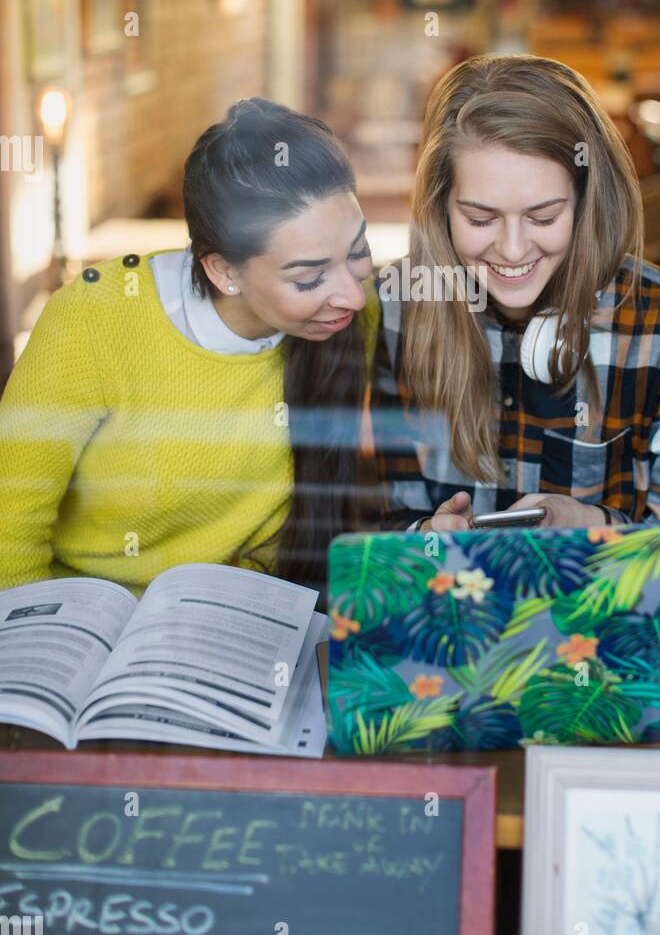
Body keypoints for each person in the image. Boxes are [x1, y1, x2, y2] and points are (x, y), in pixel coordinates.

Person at [0, 99, 377, 593]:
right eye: (309, 276)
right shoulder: (95, 319)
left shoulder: (345, 317)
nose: (350, 293)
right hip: (85, 618)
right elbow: (11, 523)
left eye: (358, 252)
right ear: (222, 270)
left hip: (235, 615)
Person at [372, 54, 660, 532]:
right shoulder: (392, 309)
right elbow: (376, 523)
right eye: (480, 219)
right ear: (440, 208)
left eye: (543, 217)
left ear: (586, 201)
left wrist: (593, 527)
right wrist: (425, 537)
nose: (513, 250)